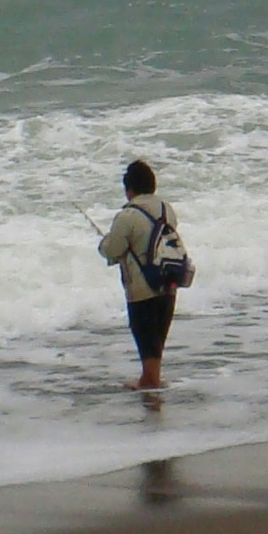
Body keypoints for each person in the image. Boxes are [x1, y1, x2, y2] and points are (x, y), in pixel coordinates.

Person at [97, 159, 183, 390]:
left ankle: (150, 383)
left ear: (130, 189)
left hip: (143, 287)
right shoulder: (167, 210)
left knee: (145, 336)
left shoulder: (127, 216)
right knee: (157, 338)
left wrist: (103, 244)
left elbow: (113, 250)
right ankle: (151, 377)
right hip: (168, 280)